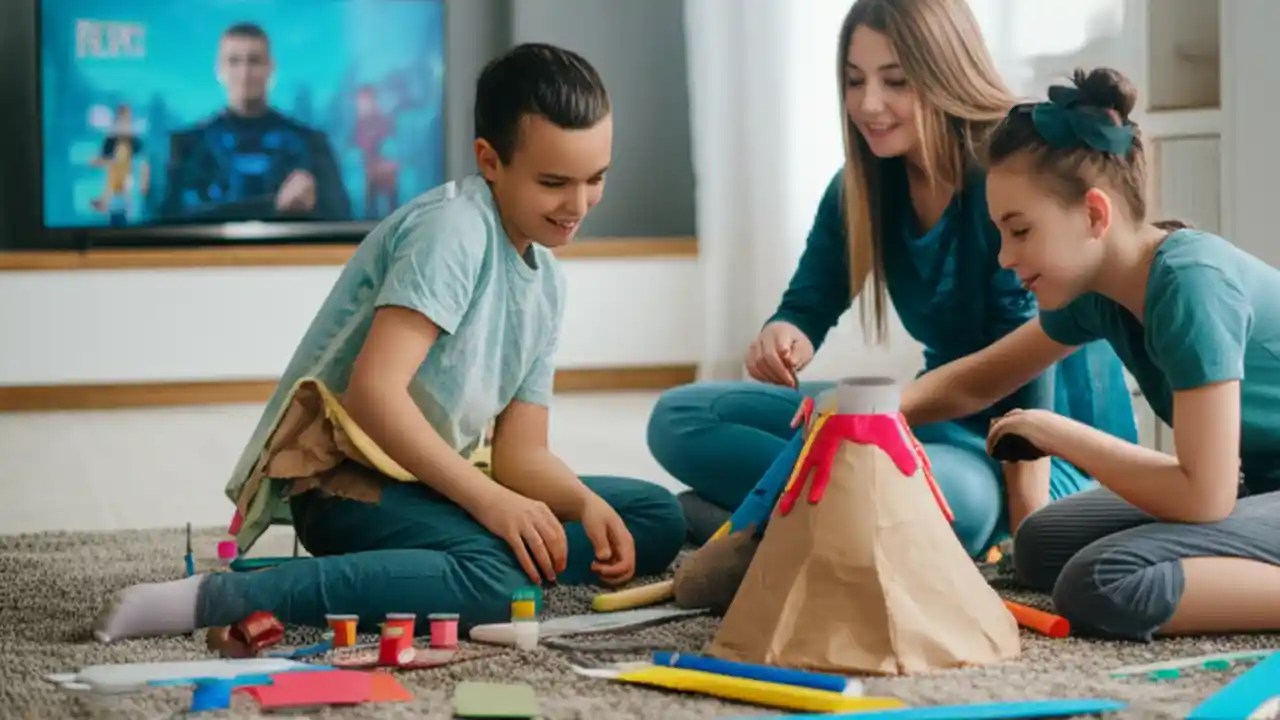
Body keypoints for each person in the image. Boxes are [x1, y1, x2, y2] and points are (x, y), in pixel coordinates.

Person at [93, 43, 685, 644]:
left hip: (437, 479)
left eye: (596, 179)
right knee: (500, 585)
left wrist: (581, 505)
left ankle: (419, 570)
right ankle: (220, 596)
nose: (578, 205)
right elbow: (373, 397)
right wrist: (491, 505)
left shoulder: (547, 280)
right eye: (555, 182)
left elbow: (520, 456)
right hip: (347, 484)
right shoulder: (454, 231)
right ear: (490, 160)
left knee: (652, 518)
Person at [648, 0, 1136, 558]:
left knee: (959, 507)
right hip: (931, 420)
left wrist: (1029, 527)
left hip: (1043, 448)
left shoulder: (1005, 179)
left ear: (944, 73)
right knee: (680, 418)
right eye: (854, 81)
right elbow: (808, 302)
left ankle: (749, 515)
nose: (869, 104)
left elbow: (1028, 368)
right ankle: (807, 520)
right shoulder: (861, 186)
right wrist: (785, 333)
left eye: (895, 81)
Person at [901, 66, 1280, 640]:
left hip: (1235, 489)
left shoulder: (1192, 283)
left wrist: (1054, 432)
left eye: (1020, 230)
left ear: (1095, 215)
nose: (1005, 256)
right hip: (1260, 483)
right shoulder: (1101, 291)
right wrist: (871, 412)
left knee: (1101, 582)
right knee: (1041, 546)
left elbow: (1205, 496)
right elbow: (978, 382)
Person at [159, 22, 351, 222]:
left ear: (271, 67)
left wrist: (313, 204)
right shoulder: (188, 146)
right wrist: (274, 206)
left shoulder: (310, 144)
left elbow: (341, 218)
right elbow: (169, 221)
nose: (244, 73)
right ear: (219, 69)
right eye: (234, 61)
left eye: (254, 61)